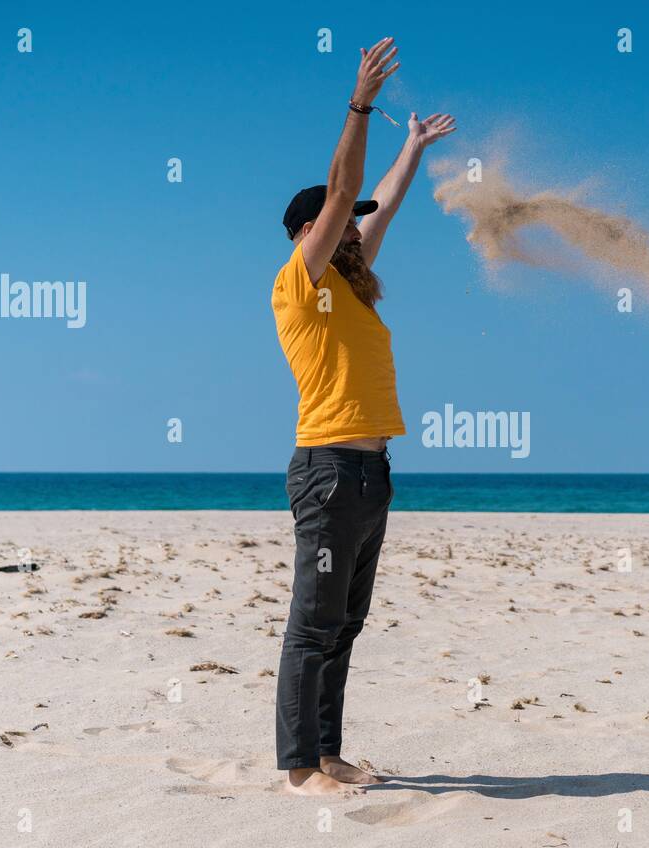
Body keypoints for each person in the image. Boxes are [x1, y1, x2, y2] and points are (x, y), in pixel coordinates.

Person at [270, 36, 456, 795]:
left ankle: (328, 752)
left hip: (371, 474)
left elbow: (377, 201)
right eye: (343, 224)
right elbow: (346, 192)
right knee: (312, 625)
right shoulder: (300, 286)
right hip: (328, 472)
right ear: (311, 233)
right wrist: (360, 104)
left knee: (343, 626)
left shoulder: (350, 283)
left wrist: (409, 147)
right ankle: (297, 768)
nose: (356, 229)